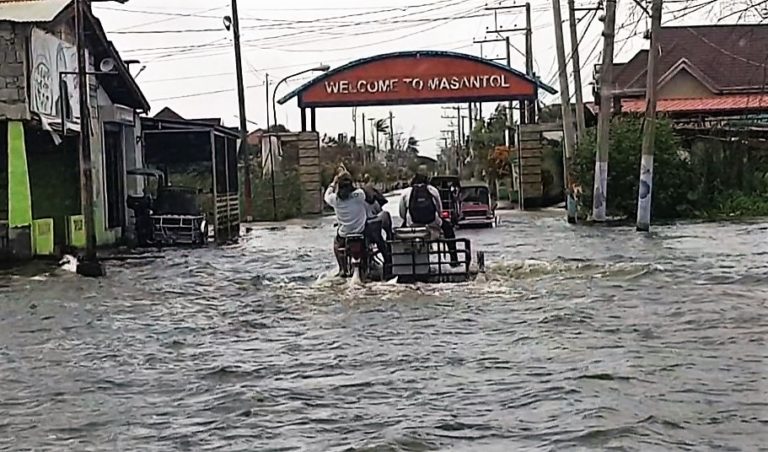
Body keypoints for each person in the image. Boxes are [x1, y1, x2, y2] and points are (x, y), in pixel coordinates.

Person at [399, 173, 459, 265]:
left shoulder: (406, 192)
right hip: (432, 225)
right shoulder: (432, 190)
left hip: (412, 227)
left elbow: (402, 213)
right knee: (449, 230)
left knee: (398, 234)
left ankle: (400, 262)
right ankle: (454, 260)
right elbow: (440, 210)